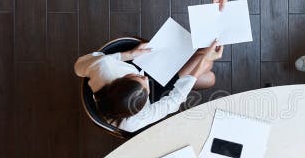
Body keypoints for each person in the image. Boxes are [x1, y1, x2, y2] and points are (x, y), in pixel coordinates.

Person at [75, 40, 224, 133]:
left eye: (138, 77)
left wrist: (129, 54)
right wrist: (201, 65)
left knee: (208, 72)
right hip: (157, 95)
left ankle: (193, 69)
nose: (146, 78)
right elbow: (174, 100)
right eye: (145, 89)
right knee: (209, 75)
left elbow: (78, 68)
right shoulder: (135, 121)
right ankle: (194, 67)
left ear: (120, 80)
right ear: (138, 107)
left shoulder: (103, 67)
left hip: (136, 63)